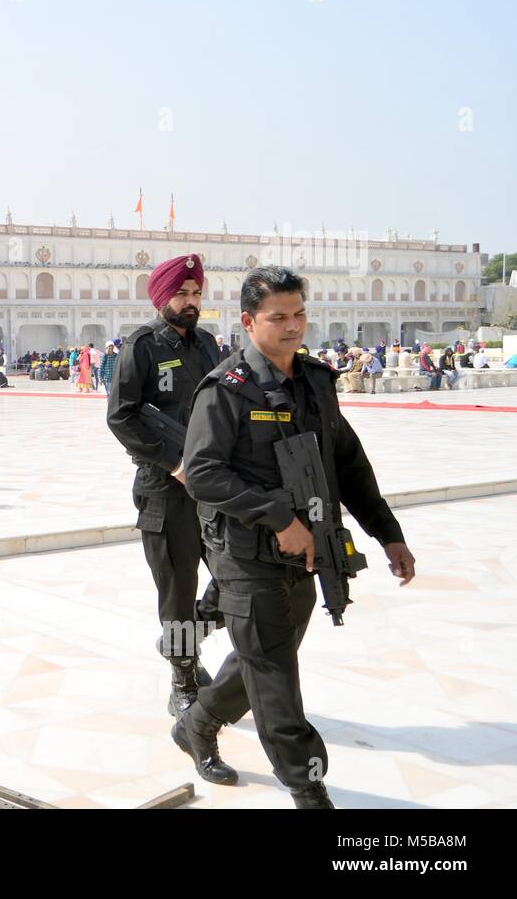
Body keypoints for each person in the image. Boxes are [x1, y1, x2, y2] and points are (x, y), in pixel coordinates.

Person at [179, 266, 415, 808]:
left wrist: (388, 535)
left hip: (308, 552)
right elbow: (205, 473)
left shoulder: (314, 380)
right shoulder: (226, 390)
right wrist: (277, 518)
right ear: (248, 322)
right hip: (245, 555)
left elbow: (348, 462)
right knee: (277, 680)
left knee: (265, 655)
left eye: (299, 314)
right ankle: (309, 790)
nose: (293, 327)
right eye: (278, 317)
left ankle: (197, 721)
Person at [107, 254, 220, 715]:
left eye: (196, 293)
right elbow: (121, 416)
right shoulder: (142, 346)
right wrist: (174, 463)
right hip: (165, 487)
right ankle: (184, 677)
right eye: (182, 294)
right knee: (176, 589)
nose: (191, 302)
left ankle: (182, 641)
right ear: (162, 297)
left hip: (214, 485)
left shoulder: (209, 345)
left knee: (234, 579)